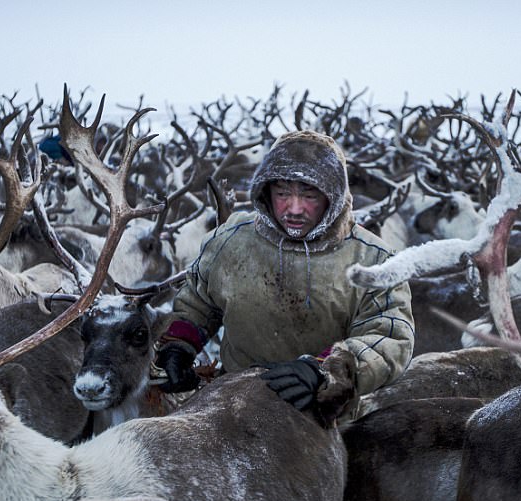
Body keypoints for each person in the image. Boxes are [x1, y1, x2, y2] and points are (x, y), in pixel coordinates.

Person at [154, 130, 414, 420]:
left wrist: (323, 371)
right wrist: (178, 346)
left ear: (333, 196)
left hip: (325, 417)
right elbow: (198, 304)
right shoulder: (231, 240)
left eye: (309, 194)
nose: (294, 209)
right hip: (232, 406)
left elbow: (388, 338)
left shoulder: (373, 260)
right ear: (266, 192)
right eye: (282, 193)